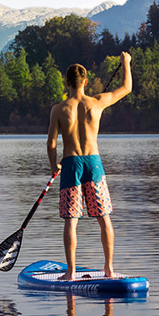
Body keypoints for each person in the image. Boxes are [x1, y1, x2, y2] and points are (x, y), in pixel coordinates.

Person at [47, 52, 132, 280]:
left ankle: (71, 272)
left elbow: (52, 143)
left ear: (67, 83)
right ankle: (109, 269)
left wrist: (54, 166)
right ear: (85, 82)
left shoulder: (58, 109)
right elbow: (126, 88)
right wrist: (126, 63)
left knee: (70, 221)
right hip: (93, 162)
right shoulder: (97, 102)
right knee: (103, 218)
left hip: (71, 163)